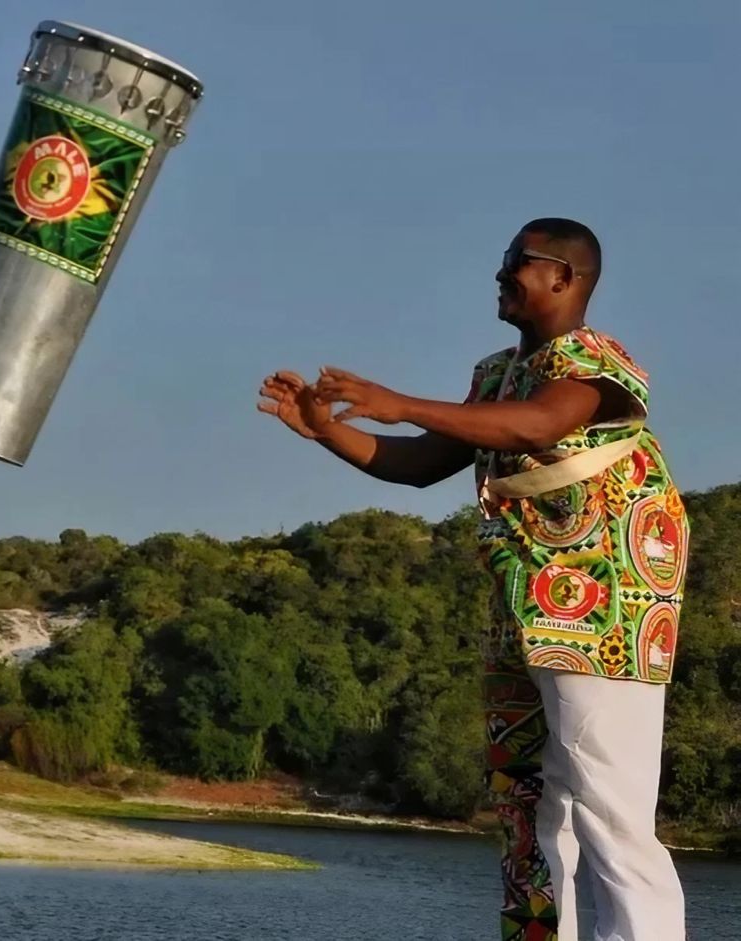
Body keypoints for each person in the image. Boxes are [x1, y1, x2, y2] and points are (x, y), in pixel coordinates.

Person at [258, 218, 686, 941]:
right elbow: (423, 462)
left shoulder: (599, 361)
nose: (501, 272)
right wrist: (328, 429)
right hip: (523, 604)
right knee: (529, 802)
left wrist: (399, 401)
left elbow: (537, 426)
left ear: (565, 277)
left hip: (605, 605)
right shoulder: (495, 375)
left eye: (518, 261)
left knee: (608, 808)